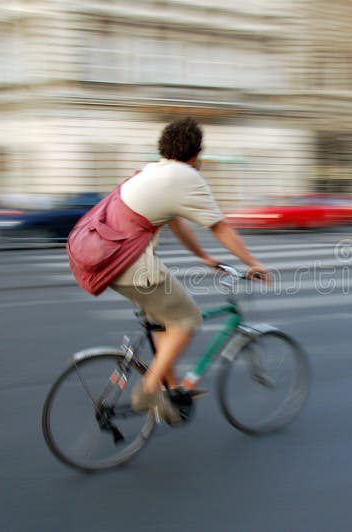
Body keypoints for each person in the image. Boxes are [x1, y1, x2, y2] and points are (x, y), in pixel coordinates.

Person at [110, 117, 268, 421]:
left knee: (163, 321)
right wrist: (253, 263)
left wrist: (204, 257)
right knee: (187, 318)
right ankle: (149, 388)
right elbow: (220, 227)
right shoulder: (185, 176)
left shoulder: (151, 172)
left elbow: (175, 221)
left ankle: (170, 394)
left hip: (108, 261)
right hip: (131, 265)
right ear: (196, 155)